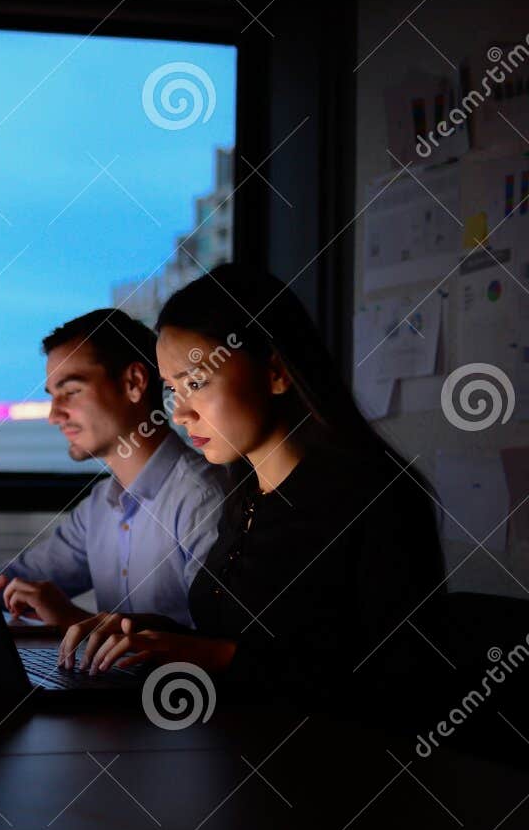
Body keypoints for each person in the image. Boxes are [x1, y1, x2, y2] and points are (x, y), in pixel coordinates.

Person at [56, 264, 446, 703]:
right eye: (172, 390)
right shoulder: (243, 495)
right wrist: (145, 631)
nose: (179, 413)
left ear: (275, 372)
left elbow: (407, 688)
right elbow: (239, 639)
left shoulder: (376, 498)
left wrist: (219, 657)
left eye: (196, 383)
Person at [0, 309, 227, 628]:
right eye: (53, 396)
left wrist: (76, 621)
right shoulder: (100, 506)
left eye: (71, 391)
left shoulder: (201, 498)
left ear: (134, 382)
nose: (54, 415)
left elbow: (221, 644)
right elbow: (9, 582)